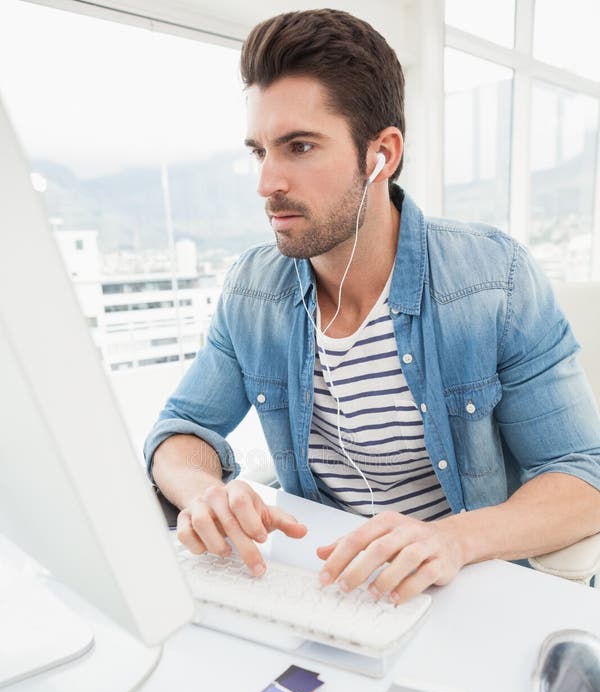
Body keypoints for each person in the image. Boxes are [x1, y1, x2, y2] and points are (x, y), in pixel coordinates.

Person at [144, 9, 600, 604]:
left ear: (380, 154)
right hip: (326, 586)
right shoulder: (253, 290)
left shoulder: (493, 279)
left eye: (299, 146)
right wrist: (202, 488)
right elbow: (180, 431)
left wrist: (452, 540)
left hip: (465, 585)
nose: (267, 182)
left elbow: (581, 476)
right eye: (259, 152)